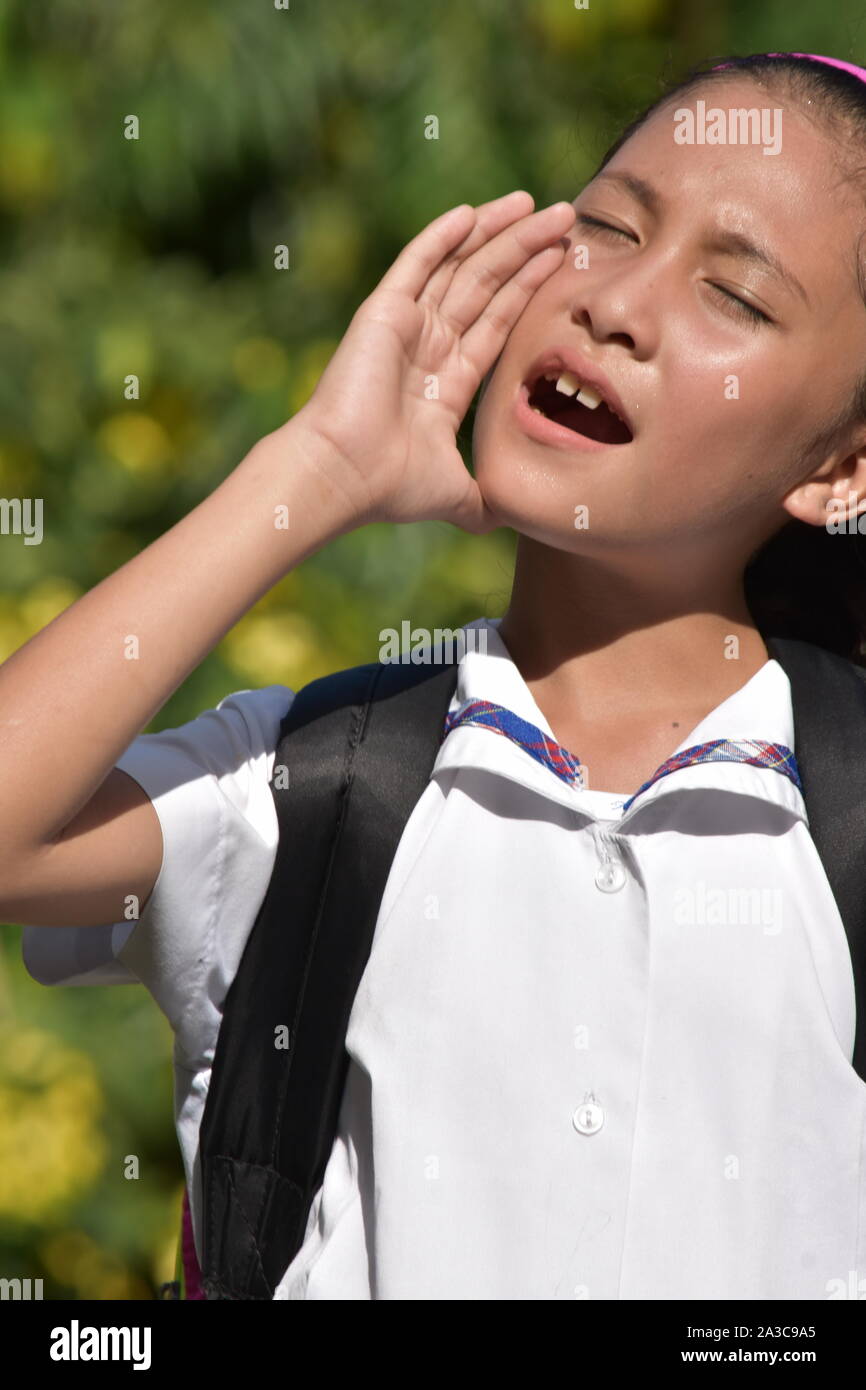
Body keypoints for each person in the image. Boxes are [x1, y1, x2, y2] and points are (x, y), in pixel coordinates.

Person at [6, 50, 866, 1300]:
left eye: (732, 295)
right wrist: (312, 472)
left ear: (840, 470)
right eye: (607, 226)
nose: (615, 302)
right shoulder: (309, 788)